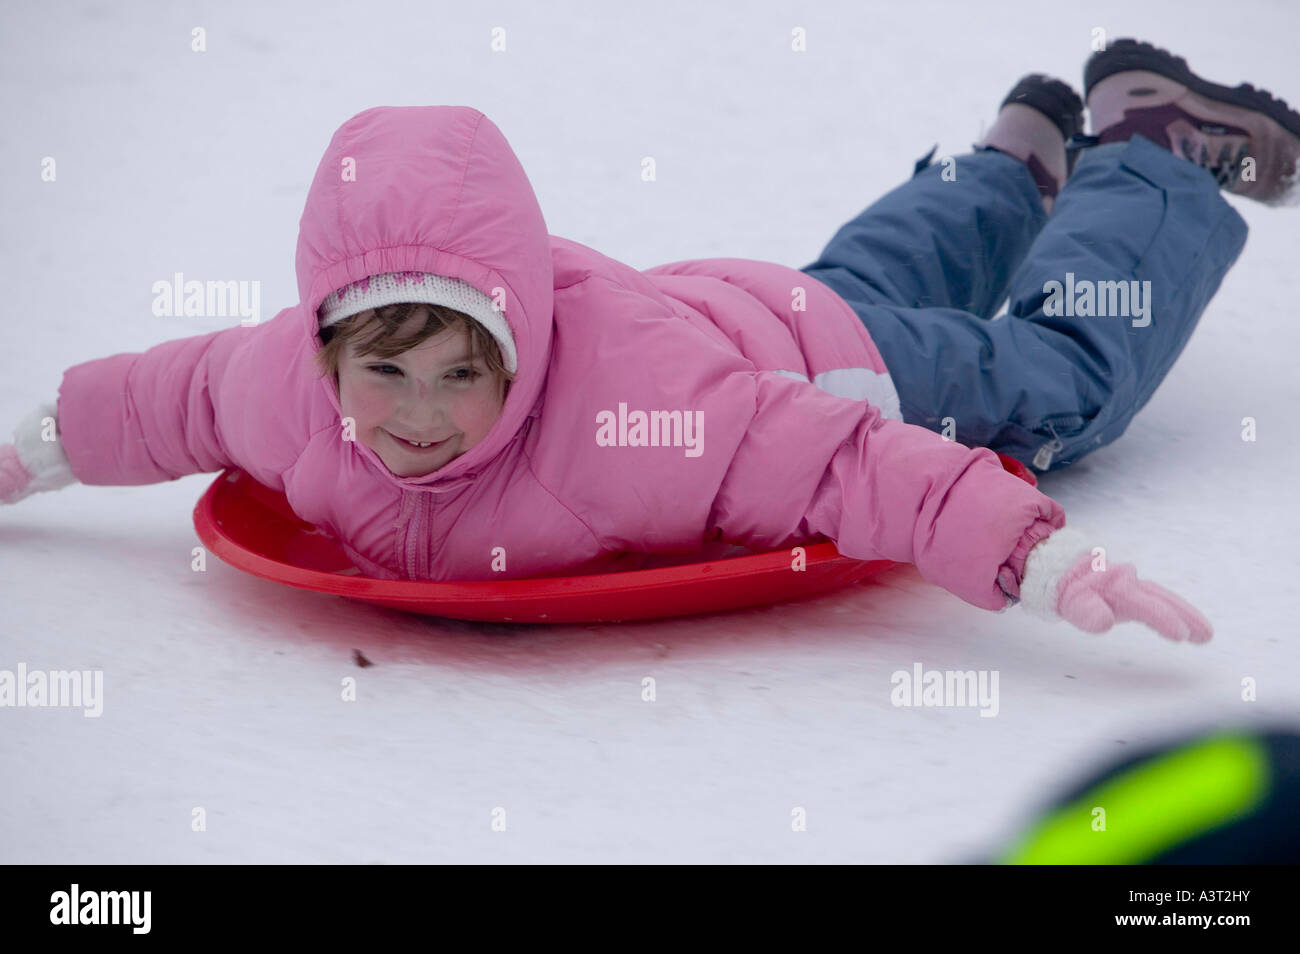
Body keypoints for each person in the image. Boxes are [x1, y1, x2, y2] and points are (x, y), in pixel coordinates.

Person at [4, 40, 1293, 643]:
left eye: (467, 374)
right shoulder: (279, 389)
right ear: (325, 348)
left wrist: (1035, 551)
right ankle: (1010, 167)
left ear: (524, 351)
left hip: (822, 371)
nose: (418, 411)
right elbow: (157, 400)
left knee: (1054, 381)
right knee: (858, 280)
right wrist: (28, 452)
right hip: (743, 313)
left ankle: (1147, 153)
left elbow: (840, 463)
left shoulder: (634, 428)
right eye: (384, 367)